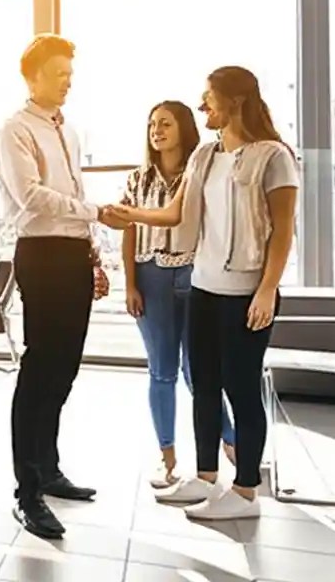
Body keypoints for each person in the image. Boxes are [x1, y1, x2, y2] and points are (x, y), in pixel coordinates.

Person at [113, 66, 298, 521]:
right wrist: (125, 214)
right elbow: (175, 214)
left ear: (235, 101)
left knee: (241, 389)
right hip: (204, 289)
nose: (202, 106)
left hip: (247, 294)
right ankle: (205, 476)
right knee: (205, 388)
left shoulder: (274, 156)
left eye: (209, 98)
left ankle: (246, 491)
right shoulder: (205, 156)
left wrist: (267, 290)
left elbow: (283, 231)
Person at [0, 34, 123, 540]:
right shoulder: (15, 130)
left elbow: (73, 192)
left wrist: (91, 249)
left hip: (72, 254)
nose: (68, 81)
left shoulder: (67, 130)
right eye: (58, 73)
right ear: (32, 77)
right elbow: (31, 196)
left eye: (71, 73)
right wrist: (95, 213)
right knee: (40, 370)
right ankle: (27, 493)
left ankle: (47, 469)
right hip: (41, 254)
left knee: (64, 369)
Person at [121, 101, 236, 489]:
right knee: (161, 370)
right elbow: (129, 232)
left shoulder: (201, 171)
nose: (157, 130)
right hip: (150, 279)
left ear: (184, 128)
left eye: (165, 123)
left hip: (196, 274)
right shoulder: (137, 180)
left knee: (198, 371)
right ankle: (166, 457)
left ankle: (233, 442)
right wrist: (130, 284)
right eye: (152, 124)